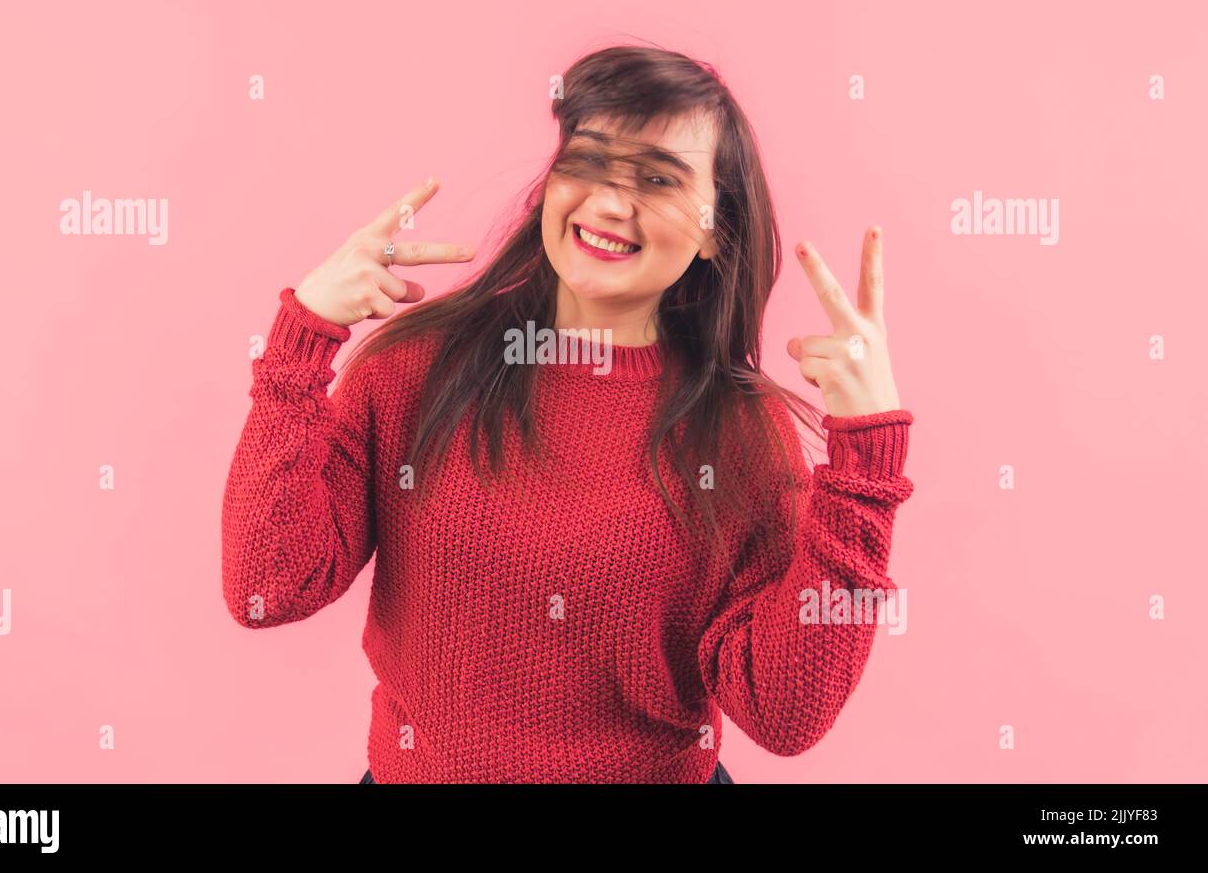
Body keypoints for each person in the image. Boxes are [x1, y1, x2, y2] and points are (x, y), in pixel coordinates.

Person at [221, 44, 915, 783]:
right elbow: (266, 588)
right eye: (590, 161)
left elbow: (785, 715)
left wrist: (862, 474)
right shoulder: (413, 372)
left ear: (717, 229)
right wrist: (303, 343)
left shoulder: (741, 436)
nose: (611, 203)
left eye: (657, 179)